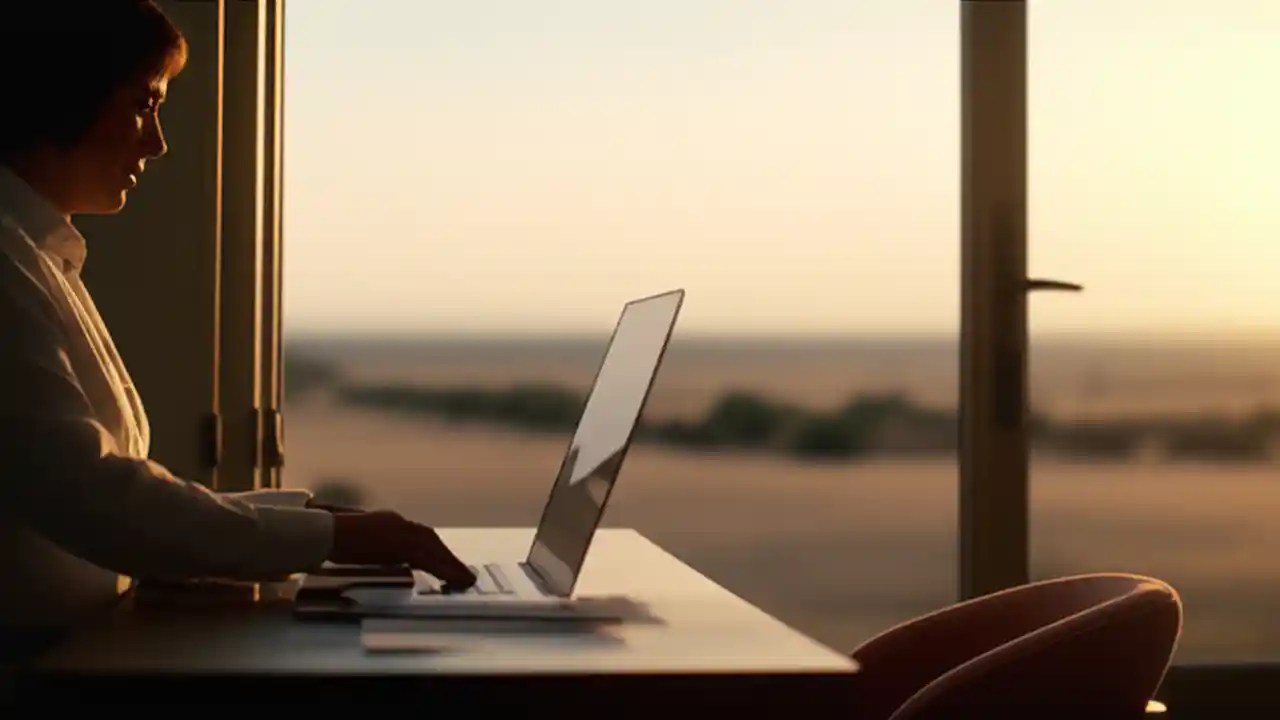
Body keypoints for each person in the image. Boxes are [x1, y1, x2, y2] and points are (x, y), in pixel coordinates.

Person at [0, 1, 476, 655]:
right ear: (68, 94)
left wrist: (314, 520)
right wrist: (333, 540)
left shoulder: (35, 254)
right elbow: (89, 496)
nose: (157, 141)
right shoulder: (7, 264)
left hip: (83, 654)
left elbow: (113, 487)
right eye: (144, 104)